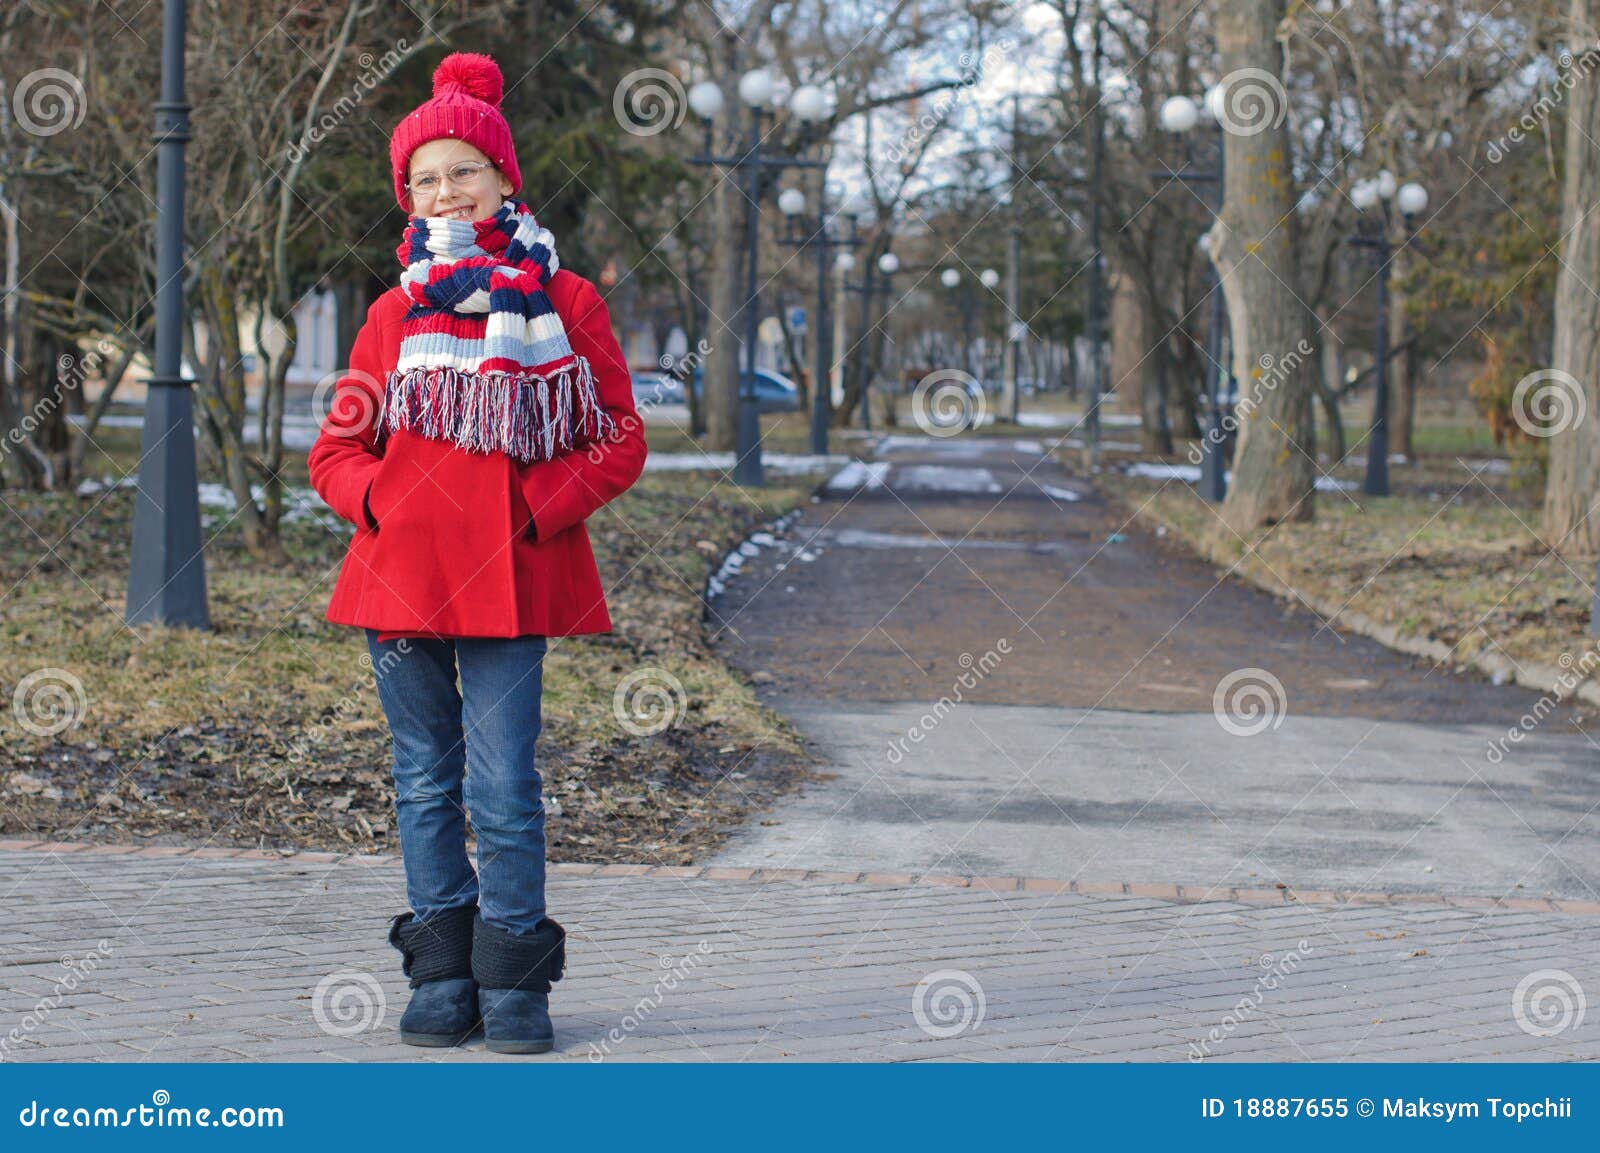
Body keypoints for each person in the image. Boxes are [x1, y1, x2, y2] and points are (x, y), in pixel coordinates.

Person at [306, 51, 648, 1054]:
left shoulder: (568, 301)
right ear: (406, 197)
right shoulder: (390, 313)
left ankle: (514, 980)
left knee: (502, 785)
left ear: (504, 179)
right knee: (422, 781)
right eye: (424, 179)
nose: (444, 191)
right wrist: (381, 503)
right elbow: (335, 449)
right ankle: (442, 975)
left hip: (511, 576)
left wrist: (537, 510)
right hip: (400, 578)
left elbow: (618, 435)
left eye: (461, 170)